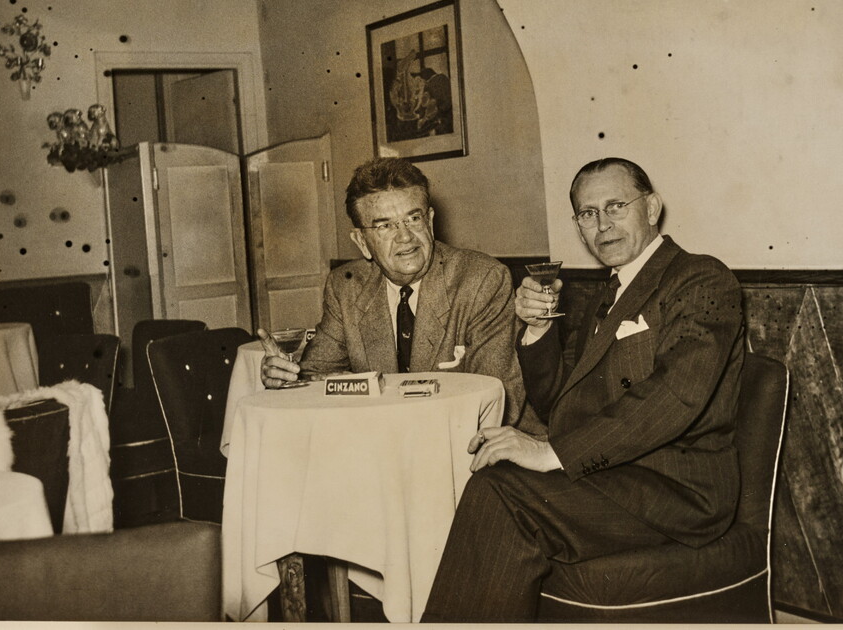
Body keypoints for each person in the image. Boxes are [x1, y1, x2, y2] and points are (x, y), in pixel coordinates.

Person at [422, 157, 746, 622]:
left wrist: (551, 453)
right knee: (488, 481)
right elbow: (561, 403)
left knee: (501, 495)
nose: (602, 224)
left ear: (652, 208)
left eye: (616, 205)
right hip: (611, 475)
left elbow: (677, 395)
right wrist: (536, 330)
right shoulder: (604, 292)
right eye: (587, 214)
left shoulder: (700, 277)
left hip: (675, 492)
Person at [259, 156, 534, 429]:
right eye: (385, 225)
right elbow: (316, 376)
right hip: (384, 442)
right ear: (362, 242)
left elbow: (496, 403)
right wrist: (289, 378)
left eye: (413, 219)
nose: (405, 237)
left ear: (430, 221)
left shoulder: (481, 279)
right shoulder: (346, 287)